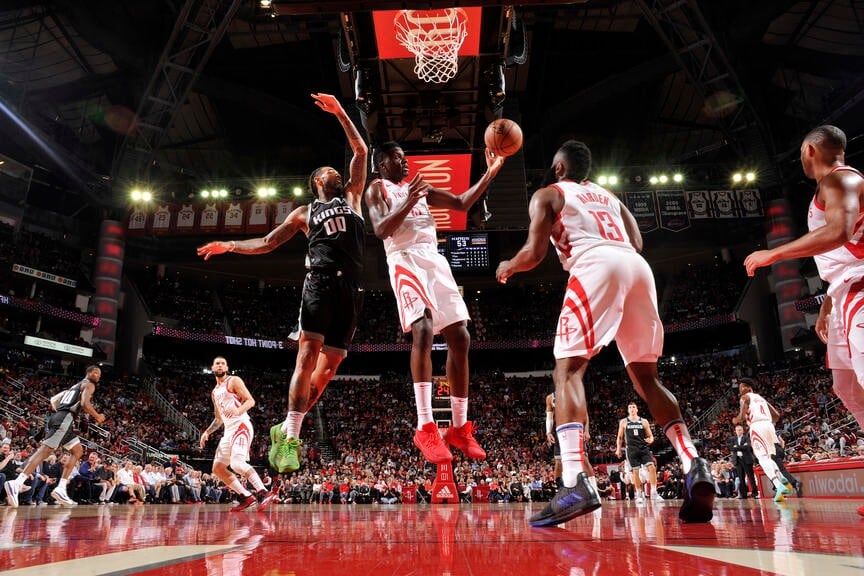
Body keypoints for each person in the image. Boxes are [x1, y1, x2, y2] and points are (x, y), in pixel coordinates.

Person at [496, 140, 713, 526]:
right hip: (637, 267)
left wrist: (508, 265)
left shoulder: (549, 194)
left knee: (568, 371)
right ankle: (694, 462)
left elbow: (533, 253)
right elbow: (638, 241)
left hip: (596, 265)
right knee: (647, 378)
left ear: (560, 169)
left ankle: (575, 479)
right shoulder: (609, 196)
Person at [197, 93, 367, 474]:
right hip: (319, 285)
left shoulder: (354, 196)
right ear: (317, 182)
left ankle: (282, 427)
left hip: (352, 291)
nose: (335, 173)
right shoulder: (306, 213)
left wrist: (341, 112)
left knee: (330, 368)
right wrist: (230, 245)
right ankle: (291, 436)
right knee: (306, 359)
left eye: (336, 171)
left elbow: (360, 150)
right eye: (328, 172)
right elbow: (267, 243)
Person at [364, 141, 504, 464]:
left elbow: (461, 202)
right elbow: (381, 229)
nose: (405, 162)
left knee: (461, 337)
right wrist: (409, 200)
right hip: (404, 259)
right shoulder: (376, 189)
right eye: (398, 158)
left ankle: (458, 429)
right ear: (383, 164)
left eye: (405, 157)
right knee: (423, 329)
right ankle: (425, 425)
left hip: (433, 259)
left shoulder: (421, 186)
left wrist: (490, 173)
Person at [744, 125, 864, 431]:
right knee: (847, 387)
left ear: (809, 150)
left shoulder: (842, 177)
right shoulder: (828, 186)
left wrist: (774, 254)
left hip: (861, 285)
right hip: (843, 290)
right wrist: (828, 303)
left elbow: (840, 231)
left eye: (800, 154)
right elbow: (837, 257)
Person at [4, 365, 105, 508]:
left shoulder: (74, 387)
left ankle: (61, 488)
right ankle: (17, 483)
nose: (97, 375)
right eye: (94, 372)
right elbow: (85, 403)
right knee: (45, 451)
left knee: (78, 451)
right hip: (65, 419)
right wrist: (98, 416)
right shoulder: (89, 384)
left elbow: (53, 400)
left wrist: (61, 413)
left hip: (62, 419)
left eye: (99, 374)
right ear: (87, 373)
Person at [199, 356, 276, 512]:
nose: (220, 365)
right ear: (212, 368)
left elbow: (250, 401)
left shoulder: (233, 380)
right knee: (218, 468)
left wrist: (238, 410)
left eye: (223, 363)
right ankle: (247, 497)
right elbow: (218, 418)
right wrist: (206, 432)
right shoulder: (214, 392)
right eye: (217, 364)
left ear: (226, 368)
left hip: (241, 425)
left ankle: (264, 492)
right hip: (228, 431)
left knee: (236, 464)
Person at [731, 378, 793, 502]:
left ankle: (778, 485)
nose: (740, 390)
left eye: (741, 387)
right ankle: (782, 480)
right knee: (769, 458)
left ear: (748, 387)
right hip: (769, 426)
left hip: (757, 426)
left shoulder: (745, 398)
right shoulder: (762, 399)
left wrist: (736, 420)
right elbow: (776, 416)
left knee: (763, 458)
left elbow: (742, 417)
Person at [815, 295, 864, 431]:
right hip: (839, 306)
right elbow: (837, 279)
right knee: (845, 388)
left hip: (858, 297)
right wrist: (825, 310)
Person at [615, 402, 662, 503]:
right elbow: (619, 437)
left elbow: (650, 436)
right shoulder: (623, 422)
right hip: (631, 449)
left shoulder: (644, 421)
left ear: (637, 409)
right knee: (635, 472)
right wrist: (618, 449)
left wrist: (651, 439)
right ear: (628, 410)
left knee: (652, 468)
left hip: (643, 447)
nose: (632, 409)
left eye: (633, 407)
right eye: (630, 407)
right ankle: (639, 495)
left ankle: (654, 493)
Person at [727, 424, 758, 499]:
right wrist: (741, 447)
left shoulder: (747, 437)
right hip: (738, 460)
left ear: (743, 430)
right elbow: (731, 448)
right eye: (737, 430)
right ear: (735, 431)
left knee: (751, 478)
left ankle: (755, 493)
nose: (738, 431)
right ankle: (743, 495)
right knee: (741, 478)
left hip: (747, 460)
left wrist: (736, 447)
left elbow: (747, 447)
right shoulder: (733, 439)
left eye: (740, 430)